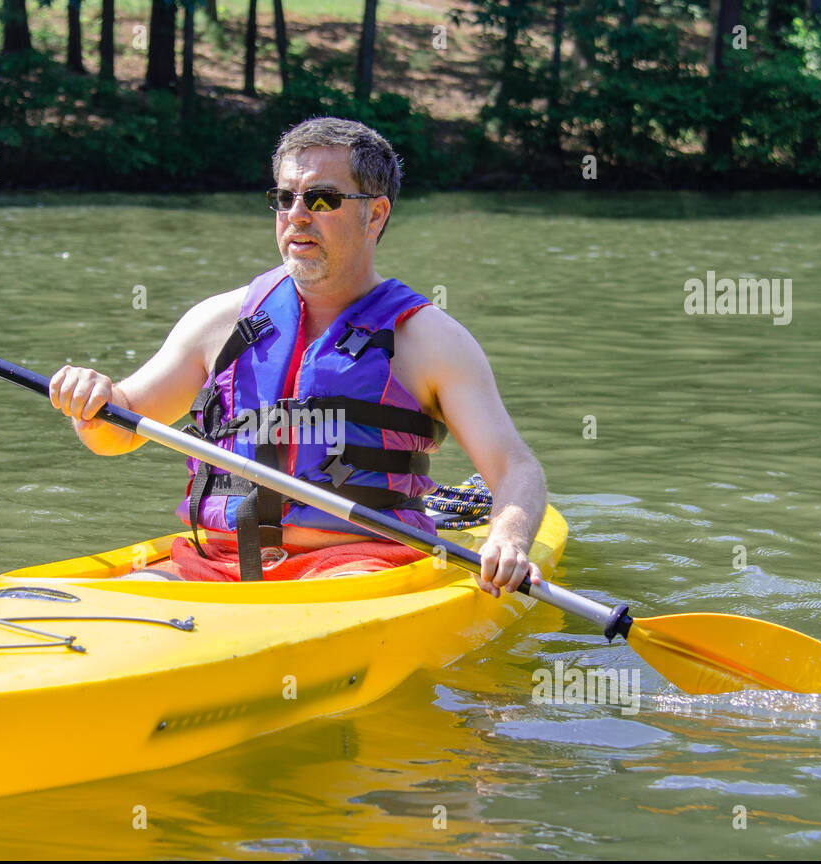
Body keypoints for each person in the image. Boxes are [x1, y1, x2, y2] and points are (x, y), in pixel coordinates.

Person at [50, 117, 546, 595]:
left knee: (340, 594)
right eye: (284, 198)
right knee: (134, 594)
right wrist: (91, 401)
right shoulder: (218, 322)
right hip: (217, 563)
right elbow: (117, 431)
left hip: (359, 565)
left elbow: (514, 468)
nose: (297, 214)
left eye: (322, 198)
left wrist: (509, 537)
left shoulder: (430, 340)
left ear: (375, 213)